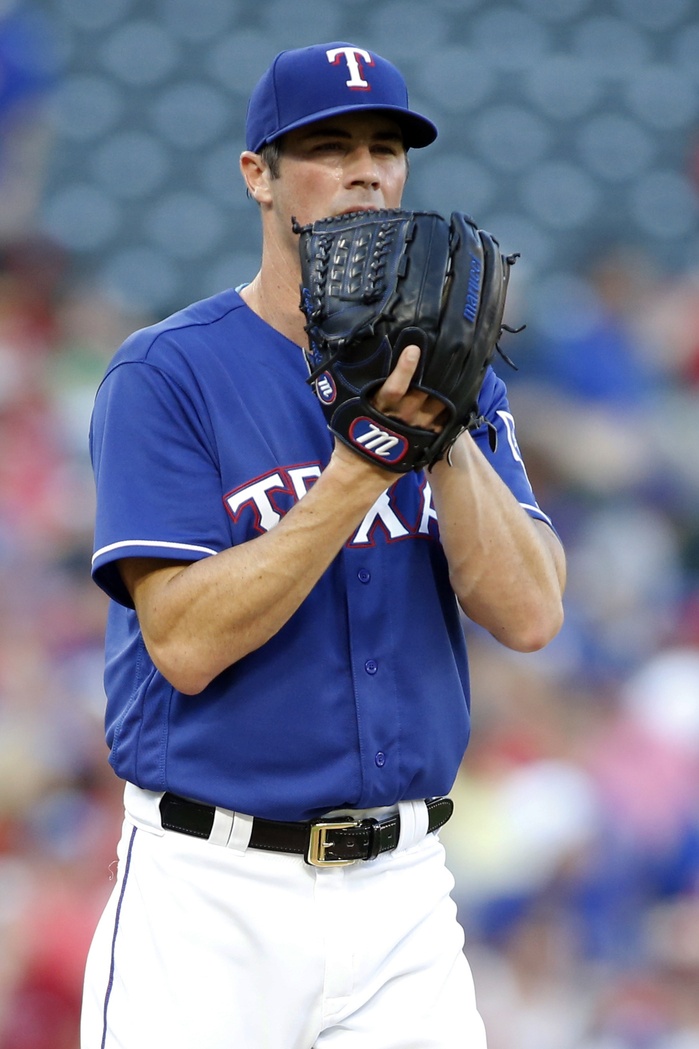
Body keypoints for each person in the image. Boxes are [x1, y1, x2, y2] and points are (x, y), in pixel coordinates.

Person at [80, 41, 566, 1049]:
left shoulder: (455, 370)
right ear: (257, 174)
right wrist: (361, 468)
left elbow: (530, 613)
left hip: (403, 894)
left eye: (387, 146)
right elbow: (183, 641)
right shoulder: (169, 373)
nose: (365, 170)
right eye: (328, 145)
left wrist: (444, 434)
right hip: (209, 896)